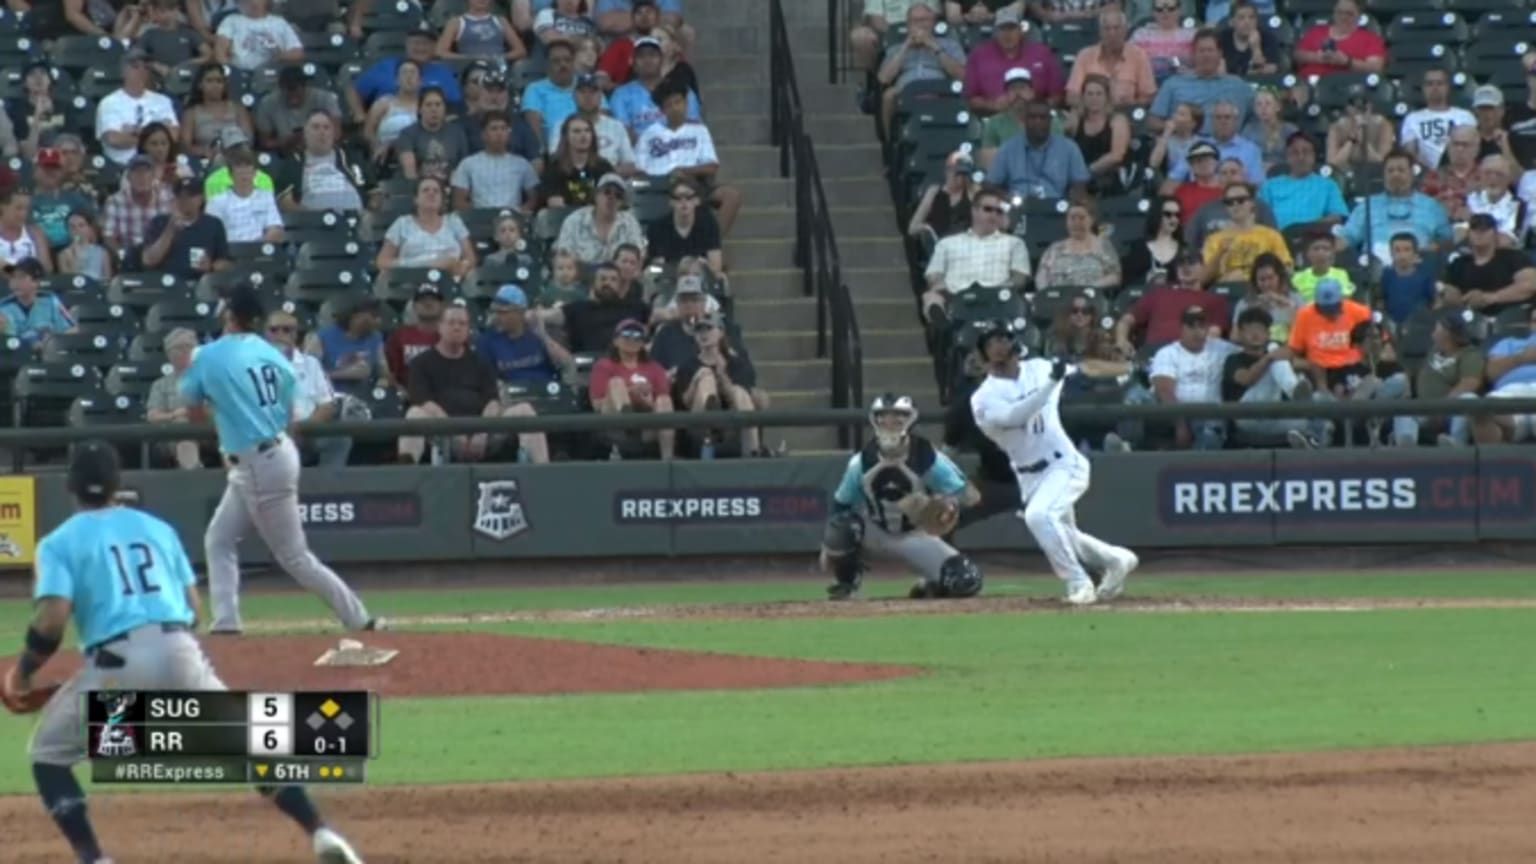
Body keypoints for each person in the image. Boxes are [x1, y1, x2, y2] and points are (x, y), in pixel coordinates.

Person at [0, 441, 367, 864]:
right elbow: (194, 611)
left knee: (48, 755)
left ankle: (94, 858)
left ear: (71, 488)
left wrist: (23, 672)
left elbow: (51, 620)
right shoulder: (157, 529)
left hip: (116, 663)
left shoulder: (58, 543)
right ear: (119, 485)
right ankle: (320, 832)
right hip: (179, 649)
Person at [179, 283, 377, 635]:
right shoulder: (271, 352)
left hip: (255, 460)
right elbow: (288, 409)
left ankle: (359, 618)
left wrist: (225, 417)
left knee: (293, 557)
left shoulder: (207, 354)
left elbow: (194, 413)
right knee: (218, 540)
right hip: (277, 449)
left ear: (228, 314)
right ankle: (226, 623)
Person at [970, 323, 1139, 605]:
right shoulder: (983, 398)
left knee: (1039, 517)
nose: (998, 347)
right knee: (1064, 534)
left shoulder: (1038, 367)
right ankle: (1117, 559)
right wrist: (1052, 382)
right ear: (983, 353)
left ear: (1016, 345)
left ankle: (1078, 582)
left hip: (1064, 464)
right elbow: (1016, 416)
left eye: (1003, 339)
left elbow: (1087, 369)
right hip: (1028, 476)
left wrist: (1128, 369)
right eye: (991, 343)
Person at [819, 394, 984, 601]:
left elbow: (970, 496)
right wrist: (830, 548)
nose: (890, 424)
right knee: (842, 526)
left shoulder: (928, 458)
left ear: (911, 420)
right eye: (884, 418)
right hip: (874, 533)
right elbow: (841, 505)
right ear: (874, 420)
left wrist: (945, 505)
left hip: (915, 535)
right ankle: (847, 583)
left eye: (898, 418)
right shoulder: (861, 462)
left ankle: (930, 585)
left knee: (967, 581)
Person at [399, 303, 508, 464]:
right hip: (440, 432)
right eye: (451, 323)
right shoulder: (420, 363)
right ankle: (405, 477)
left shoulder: (481, 362)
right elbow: (424, 402)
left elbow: (492, 401)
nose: (457, 327)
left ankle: (543, 474)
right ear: (440, 327)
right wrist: (452, 431)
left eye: (462, 323)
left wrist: (483, 432)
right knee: (414, 414)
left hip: (482, 432)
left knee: (524, 410)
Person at [477, 285, 569, 463]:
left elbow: (567, 365)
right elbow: (488, 380)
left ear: (520, 313)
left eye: (504, 312)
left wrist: (543, 335)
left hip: (547, 399)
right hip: (513, 402)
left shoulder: (537, 337)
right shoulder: (487, 341)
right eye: (496, 311)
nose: (498, 316)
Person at [1223, 307, 1332, 449]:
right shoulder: (1233, 359)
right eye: (1249, 329)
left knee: (1321, 416)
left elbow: (1311, 364)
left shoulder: (1278, 358)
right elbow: (1245, 379)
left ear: (1268, 333)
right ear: (1240, 333)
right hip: (1247, 417)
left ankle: (1310, 440)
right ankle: (1295, 392)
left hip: (1276, 415)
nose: (1255, 334)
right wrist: (1269, 358)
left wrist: (1318, 383)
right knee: (1274, 352)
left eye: (1260, 329)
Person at [921, 187, 1032, 324]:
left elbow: (1020, 277)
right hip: (956, 296)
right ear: (974, 211)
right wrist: (944, 288)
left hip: (996, 298)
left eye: (999, 211)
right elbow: (933, 275)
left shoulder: (1015, 243)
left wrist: (1005, 288)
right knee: (931, 297)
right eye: (988, 209)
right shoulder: (947, 243)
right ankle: (945, 325)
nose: (993, 215)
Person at [1335, 148, 1452, 265]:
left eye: (1401, 170)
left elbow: (1446, 240)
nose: (1395, 175)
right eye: (1390, 171)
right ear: (1383, 175)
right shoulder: (1367, 206)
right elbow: (1347, 237)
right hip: (1374, 268)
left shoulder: (1431, 206)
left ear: (1412, 174)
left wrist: (1428, 249)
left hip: (1418, 265)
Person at [267, 308, 351, 468]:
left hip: (308, 431)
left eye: (286, 330)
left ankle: (326, 488)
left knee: (340, 439)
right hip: (269, 432)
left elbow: (327, 405)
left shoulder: (311, 364)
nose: (280, 334)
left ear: (295, 335)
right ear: (267, 334)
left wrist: (304, 428)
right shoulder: (254, 364)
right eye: (274, 330)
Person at [1392, 309, 1482, 448]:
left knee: (1469, 398)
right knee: (1403, 408)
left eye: (1437, 329)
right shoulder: (1434, 351)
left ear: (1448, 334)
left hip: (1450, 411)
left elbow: (1470, 383)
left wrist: (1443, 407)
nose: (1433, 333)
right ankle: (1406, 449)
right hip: (1425, 409)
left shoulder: (1469, 355)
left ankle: (1456, 443)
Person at [588, 317, 676, 458]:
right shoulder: (604, 366)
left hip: (647, 421)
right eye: (626, 335)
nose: (632, 340)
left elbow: (663, 402)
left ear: (642, 343)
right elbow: (597, 405)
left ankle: (668, 459)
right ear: (616, 340)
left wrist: (643, 401)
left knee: (664, 400)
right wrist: (630, 393)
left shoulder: (655, 368)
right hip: (614, 420)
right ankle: (626, 420)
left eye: (637, 337)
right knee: (616, 383)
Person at [1149, 305, 1233, 450]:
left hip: (1209, 417)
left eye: (1201, 326)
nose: (1197, 332)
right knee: (1135, 397)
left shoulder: (1222, 349)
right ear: (1181, 328)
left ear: (1207, 329)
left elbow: (1251, 351)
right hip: (1174, 414)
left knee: (1210, 435)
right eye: (1191, 326)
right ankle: (1127, 447)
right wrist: (1180, 424)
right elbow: (1165, 391)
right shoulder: (1167, 352)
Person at [1147, 29, 1252, 136]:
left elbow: (1258, 116)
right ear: (1193, 54)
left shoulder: (1238, 85)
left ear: (1220, 54)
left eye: (1210, 50)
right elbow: (1153, 121)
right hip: (1186, 146)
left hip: (1230, 147)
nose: (1206, 55)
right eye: (1201, 51)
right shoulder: (1173, 84)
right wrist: (1175, 126)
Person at [962, 7, 1065, 115]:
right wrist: (992, 105)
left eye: (1012, 28)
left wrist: (1036, 107)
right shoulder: (978, 55)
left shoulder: (1042, 53)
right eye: (1002, 28)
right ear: (995, 32)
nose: (1007, 34)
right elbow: (971, 98)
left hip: (1036, 118)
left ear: (1020, 30)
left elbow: (1057, 96)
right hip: (993, 117)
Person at [985, 100, 1090, 202]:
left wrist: (1069, 204)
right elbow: (992, 185)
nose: (1037, 122)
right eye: (1032, 117)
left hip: (1055, 208)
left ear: (1050, 121)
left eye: (1042, 118)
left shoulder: (1069, 148)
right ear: (1024, 120)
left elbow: (1079, 185)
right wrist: (1007, 198)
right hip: (1018, 207)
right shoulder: (1008, 148)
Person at [1284, 278, 1373, 396]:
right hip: (1318, 370)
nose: (1329, 313)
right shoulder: (1304, 315)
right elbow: (1294, 351)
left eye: (1333, 307)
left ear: (1341, 300)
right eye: (1324, 309)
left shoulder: (1360, 313)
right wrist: (1310, 364)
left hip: (1351, 366)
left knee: (1370, 383)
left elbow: (1371, 345)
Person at [375, 176, 477, 279]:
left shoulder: (454, 222)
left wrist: (463, 266)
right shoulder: (402, 224)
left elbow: (470, 258)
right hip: (411, 280)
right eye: (425, 190)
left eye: (436, 191)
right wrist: (428, 264)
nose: (431, 194)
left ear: (442, 199)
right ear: (416, 199)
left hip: (451, 279)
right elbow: (382, 262)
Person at [1439, 213, 1536, 316]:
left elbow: (1530, 285)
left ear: (1495, 234)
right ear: (1468, 234)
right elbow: (1449, 291)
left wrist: (1490, 298)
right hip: (1469, 320)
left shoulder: (1514, 257)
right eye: (1475, 229)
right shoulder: (1458, 263)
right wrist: (1464, 301)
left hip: (1512, 318)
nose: (1479, 233)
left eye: (1485, 229)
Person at [95, 51, 180, 166]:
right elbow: (114, 139)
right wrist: (154, 135)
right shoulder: (109, 102)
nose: (141, 71)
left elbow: (173, 136)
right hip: (123, 165)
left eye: (145, 67)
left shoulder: (163, 101)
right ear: (123, 71)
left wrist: (135, 131)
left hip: (159, 164)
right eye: (135, 66)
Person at [141, 178, 232, 282]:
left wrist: (211, 266)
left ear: (201, 198)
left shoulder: (213, 224)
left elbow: (226, 263)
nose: (184, 200)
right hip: (165, 283)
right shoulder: (159, 222)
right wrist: (170, 230)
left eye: (190, 196)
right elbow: (148, 260)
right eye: (180, 196)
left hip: (200, 283)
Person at [1063, 7, 1156, 109]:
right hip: (1091, 115)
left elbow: (1149, 96)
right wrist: (1092, 106)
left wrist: (1132, 103)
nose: (1112, 33)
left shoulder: (1139, 55)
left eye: (1116, 28)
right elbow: (1071, 96)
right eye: (1107, 29)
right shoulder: (1085, 56)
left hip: (1126, 114)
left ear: (1125, 30)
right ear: (1100, 32)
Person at [450, 111, 540, 212]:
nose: (499, 133)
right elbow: (458, 201)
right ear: (483, 134)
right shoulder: (468, 164)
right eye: (494, 129)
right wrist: (475, 216)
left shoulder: (522, 164)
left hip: (512, 220)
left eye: (503, 128)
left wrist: (521, 211)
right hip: (479, 220)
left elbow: (534, 197)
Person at [1259, 133, 1349, 233]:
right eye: (1295, 152)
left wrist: (1308, 228)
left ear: (1314, 156)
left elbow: (1337, 217)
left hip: (1314, 237)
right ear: (1287, 157)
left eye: (1306, 152)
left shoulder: (1328, 185)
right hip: (1277, 238)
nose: (1301, 157)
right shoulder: (1270, 186)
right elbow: (1260, 216)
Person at [1202, 182, 1290, 283]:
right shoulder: (1214, 240)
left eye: (1241, 200)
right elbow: (1204, 279)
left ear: (1252, 202)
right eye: (1229, 202)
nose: (1235, 204)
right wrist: (1220, 252)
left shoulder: (1271, 236)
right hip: (1228, 290)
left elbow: (1287, 269)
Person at [1473, 305, 1536, 444]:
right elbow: (1491, 373)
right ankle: (1488, 461)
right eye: (1535, 321)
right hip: (1511, 391)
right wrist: (1524, 358)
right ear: (1530, 325)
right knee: (1483, 411)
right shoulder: (1508, 344)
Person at [553, 172, 646, 264]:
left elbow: (638, 257)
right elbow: (563, 257)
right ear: (596, 195)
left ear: (622, 202)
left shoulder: (630, 223)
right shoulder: (574, 221)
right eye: (607, 192)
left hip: (619, 277)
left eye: (618, 195)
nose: (611, 198)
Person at [146, 328, 204, 469]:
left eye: (189, 347)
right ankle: (193, 472)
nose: (185, 352)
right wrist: (174, 415)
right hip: (174, 433)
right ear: (169, 354)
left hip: (207, 427)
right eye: (179, 348)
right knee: (182, 424)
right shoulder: (161, 385)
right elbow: (152, 416)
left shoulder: (208, 380)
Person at [1064, 75, 1130, 195]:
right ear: (1083, 97)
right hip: (1079, 179)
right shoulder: (1076, 121)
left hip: (1108, 178)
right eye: (1090, 94)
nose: (1094, 98)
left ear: (1107, 97)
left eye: (1099, 94)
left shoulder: (1117, 120)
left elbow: (1117, 155)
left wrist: (1088, 171)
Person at [1400, 68, 1476, 172]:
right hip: (1424, 173)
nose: (1435, 87)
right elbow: (1409, 153)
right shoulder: (1412, 118)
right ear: (1423, 88)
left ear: (1447, 87)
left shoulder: (1465, 116)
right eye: (1430, 84)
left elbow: (1472, 148)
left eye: (1439, 83)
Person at [1035, 200, 1120, 290]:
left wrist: (1091, 288)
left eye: (1081, 218)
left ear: (1091, 220)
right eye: (1072, 218)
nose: (1076, 222)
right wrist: (1046, 292)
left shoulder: (1103, 246)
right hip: (1058, 299)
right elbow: (1041, 276)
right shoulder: (1055, 248)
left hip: (1092, 299)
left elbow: (1115, 277)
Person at [256, 65, 343, 154]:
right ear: (281, 88)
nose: (292, 95)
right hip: (286, 153)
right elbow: (265, 142)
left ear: (305, 87)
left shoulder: (324, 98)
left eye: (295, 90)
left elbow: (336, 134)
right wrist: (287, 141)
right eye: (288, 91)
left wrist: (314, 140)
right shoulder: (268, 103)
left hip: (321, 149)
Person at [206, 149, 285, 243]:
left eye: (248, 173)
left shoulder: (266, 197)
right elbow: (209, 233)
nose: (244, 177)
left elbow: (276, 229)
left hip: (258, 251)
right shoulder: (217, 201)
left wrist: (255, 246)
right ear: (231, 175)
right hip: (229, 252)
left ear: (255, 173)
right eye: (240, 174)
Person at [1292, 0, 1385, 80]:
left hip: (1349, 86)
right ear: (1334, 13)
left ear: (1359, 16)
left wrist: (1347, 62)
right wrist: (1319, 57)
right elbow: (1298, 55)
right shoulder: (1316, 32)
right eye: (1339, 12)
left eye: (1349, 14)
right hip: (1310, 82)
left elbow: (1375, 68)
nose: (1343, 17)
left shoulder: (1370, 39)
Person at [394, 87, 471, 182]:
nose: (434, 109)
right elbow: (410, 171)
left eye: (438, 105)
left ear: (444, 108)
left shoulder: (457, 132)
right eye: (428, 105)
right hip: (420, 189)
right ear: (420, 109)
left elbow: (463, 168)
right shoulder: (407, 134)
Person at [647, 175, 723, 272]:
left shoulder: (708, 224)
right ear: (671, 202)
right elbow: (656, 267)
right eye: (678, 198)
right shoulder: (657, 228)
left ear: (697, 200)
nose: (683, 202)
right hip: (669, 281)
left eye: (688, 197)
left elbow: (715, 266)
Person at [180, 62, 252, 160]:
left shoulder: (238, 109)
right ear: (200, 85)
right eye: (209, 81)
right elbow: (186, 146)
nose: (215, 85)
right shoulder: (191, 113)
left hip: (236, 159)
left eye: (219, 81)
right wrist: (205, 151)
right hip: (205, 160)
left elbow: (248, 139)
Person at [0, 257, 74, 348]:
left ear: (36, 282)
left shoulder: (51, 301)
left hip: (50, 356)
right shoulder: (3, 307)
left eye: (21, 277)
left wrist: (51, 342)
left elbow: (71, 329)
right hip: (17, 358)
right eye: (13, 277)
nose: (15, 283)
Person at [213, 0, 303, 72]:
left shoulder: (280, 23)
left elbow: (297, 53)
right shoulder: (231, 20)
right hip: (239, 74)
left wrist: (278, 58)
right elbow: (220, 53)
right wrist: (232, 72)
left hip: (272, 74)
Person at [385, 283, 445, 389]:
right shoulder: (399, 336)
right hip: (407, 396)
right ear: (414, 306)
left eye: (433, 299)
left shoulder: (451, 336)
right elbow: (391, 374)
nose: (428, 303)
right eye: (422, 300)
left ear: (442, 305)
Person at [1122, 195, 1185, 286]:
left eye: (1177, 215)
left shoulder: (1185, 250)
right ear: (1157, 215)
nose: (1174, 219)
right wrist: (1145, 280)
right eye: (1168, 214)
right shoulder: (1138, 249)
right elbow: (1126, 284)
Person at [1327, 89, 1395, 171]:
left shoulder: (1383, 125)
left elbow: (1383, 164)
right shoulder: (1337, 127)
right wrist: (1352, 139)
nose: (1359, 111)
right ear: (1347, 108)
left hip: (1374, 173)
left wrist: (1364, 140)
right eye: (1355, 107)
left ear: (1370, 107)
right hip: (1345, 172)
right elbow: (1332, 164)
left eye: (1363, 107)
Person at [1379, 232, 1436, 325]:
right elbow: (1382, 302)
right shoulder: (1386, 275)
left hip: (1419, 327)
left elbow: (1433, 303)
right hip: (1391, 327)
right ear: (1391, 253)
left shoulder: (1426, 277)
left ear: (1415, 253)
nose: (1402, 255)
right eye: (1397, 250)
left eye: (1407, 250)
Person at [1218, 0, 1279, 76]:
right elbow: (1217, 70)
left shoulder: (1268, 38)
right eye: (1241, 18)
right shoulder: (1222, 38)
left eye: (1251, 17)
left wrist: (1256, 49)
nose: (1247, 22)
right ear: (1232, 22)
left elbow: (1271, 69)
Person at [1291, 231, 1354, 303]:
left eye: (1326, 249)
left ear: (1333, 253)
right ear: (1307, 253)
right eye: (1316, 249)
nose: (1321, 253)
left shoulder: (1341, 274)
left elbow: (1345, 301)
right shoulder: (1298, 278)